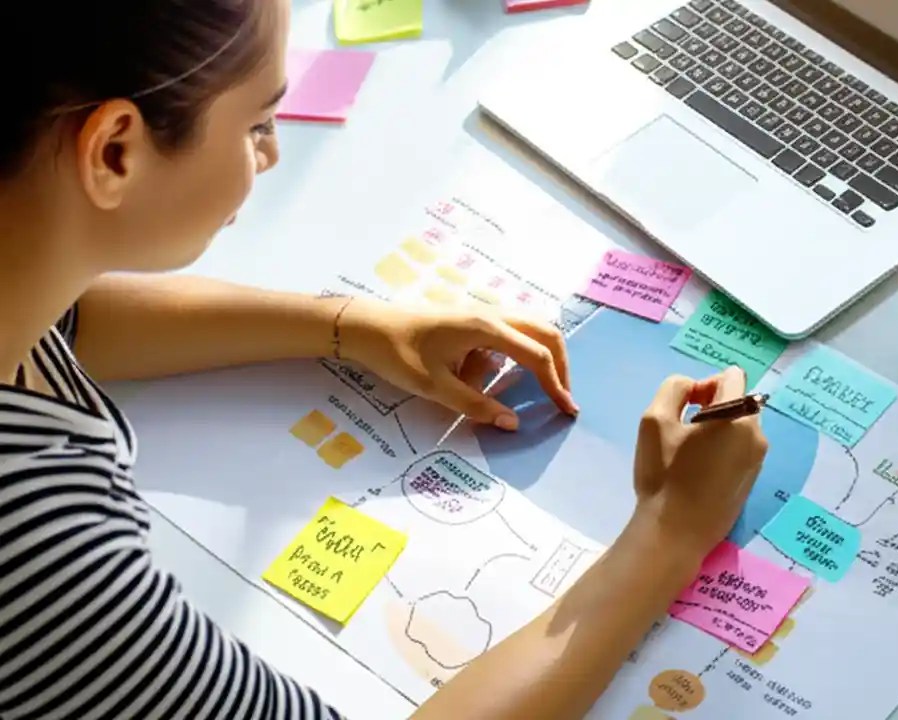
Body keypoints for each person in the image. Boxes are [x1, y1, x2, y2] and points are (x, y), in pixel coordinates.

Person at [0, 2, 769, 719]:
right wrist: (669, 533)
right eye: (258, 123)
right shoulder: (48, 557)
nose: (271, 155)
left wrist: (350, 326)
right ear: (114, 150)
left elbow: (70, 319)